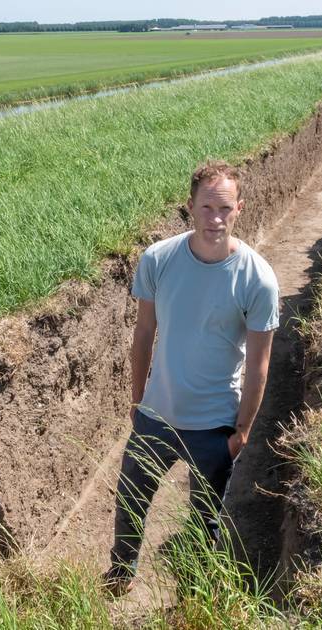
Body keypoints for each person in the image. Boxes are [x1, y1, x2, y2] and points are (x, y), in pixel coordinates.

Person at [103, 161, 279, 594]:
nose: (215, 219)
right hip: (156, 417)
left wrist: (241, 430)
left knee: (204, 520)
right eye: (206, 207)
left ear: (239, 208)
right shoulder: (158, 259)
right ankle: (121, 574)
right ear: (190, 208)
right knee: (130, 501)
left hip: (214, 425)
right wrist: (138, 400)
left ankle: (196, 594)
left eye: (224, 209)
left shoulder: (257, 279)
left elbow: (259, 364)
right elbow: (143, 334)